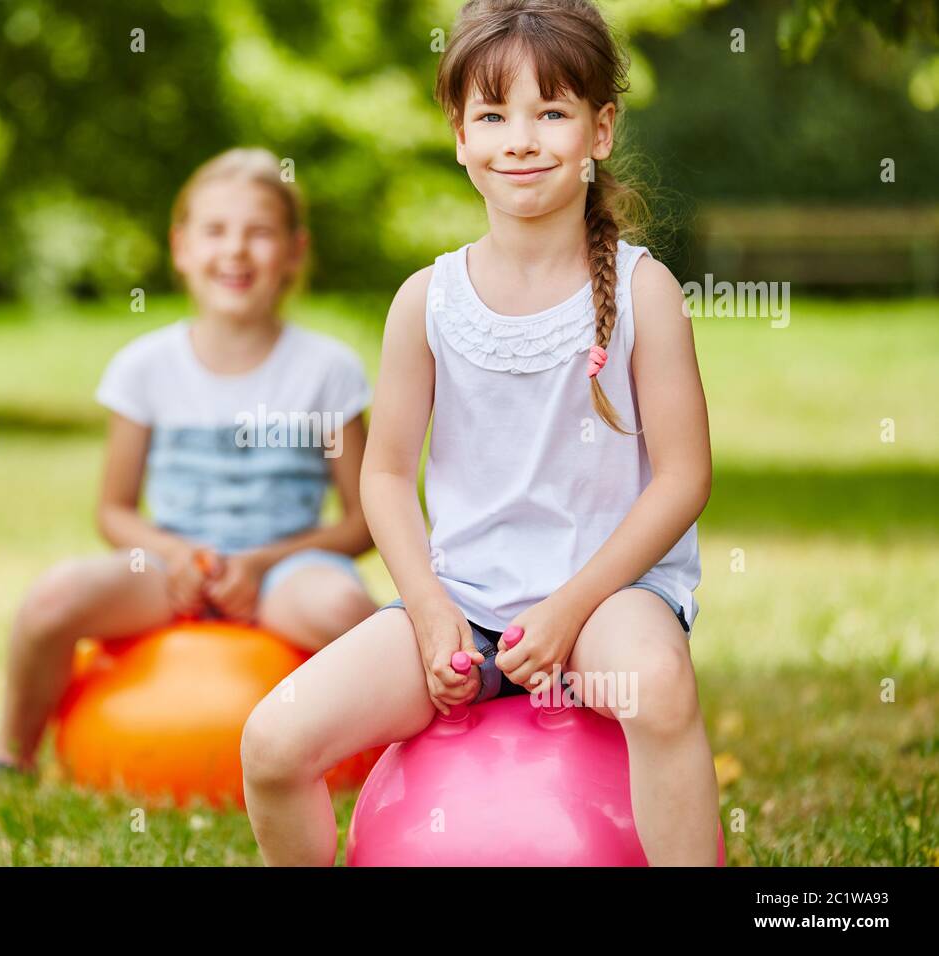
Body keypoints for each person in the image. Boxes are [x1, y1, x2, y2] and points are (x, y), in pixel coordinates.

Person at [241, 0, 718, 865]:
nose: (522, 139)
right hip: (462, 606)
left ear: (600, 130)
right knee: (271, 743)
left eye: (553, 112)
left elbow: (683, 478)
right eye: (493, 114)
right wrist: (427, 613)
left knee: (655, 687)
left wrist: (571, 612)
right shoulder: (427, 300)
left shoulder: (646, 292)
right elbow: (384, 475)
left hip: (610, 601)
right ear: (459, 134)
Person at [0, 147, 376, 788]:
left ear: (294, 251)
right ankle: (12, 758)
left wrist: (258, 566)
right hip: (170, 565)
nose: (235, 250)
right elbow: (114, 510)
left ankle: (388, 762)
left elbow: (365, 521)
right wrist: (176, 557)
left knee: (348, 609)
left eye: (259, 233)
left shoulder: (327, 369)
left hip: (285, 570)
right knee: (51, 598)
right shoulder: (144, 367)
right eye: (215, 231)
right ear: (180, 248)